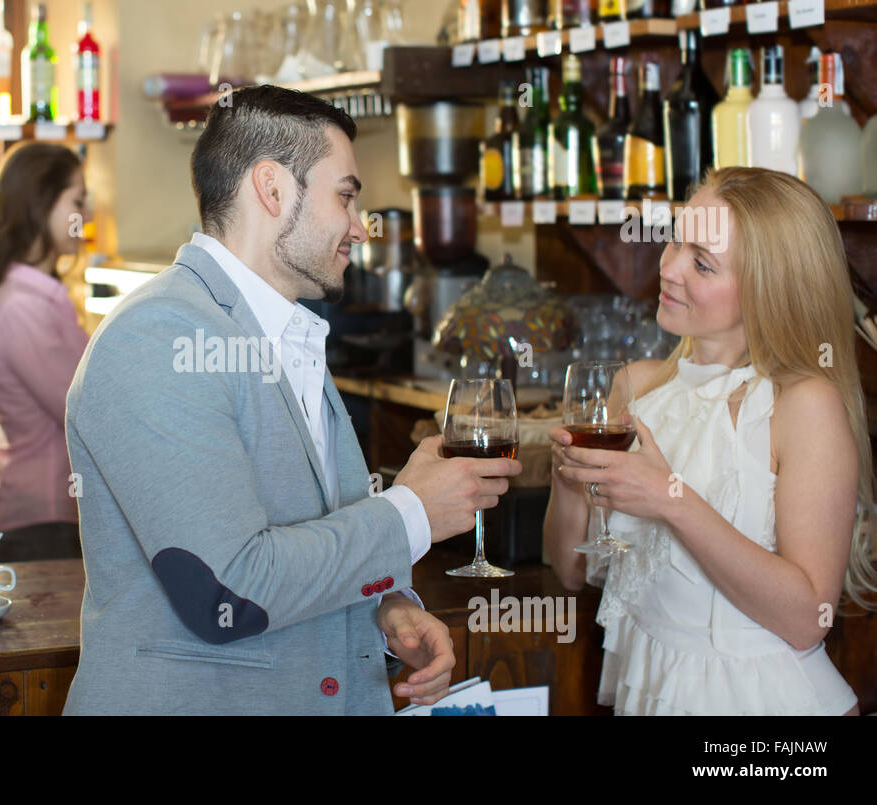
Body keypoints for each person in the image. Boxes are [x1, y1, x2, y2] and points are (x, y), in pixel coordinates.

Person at [61, 86, 522, 715]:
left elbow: (314, 538)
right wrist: (413, 514)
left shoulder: (285, 329)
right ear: (273, 189)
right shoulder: (163, 337)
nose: (361, 228)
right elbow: (230, 590)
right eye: (346, 196)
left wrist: (387, 608)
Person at [544, 167, 874, 715]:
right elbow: (572, 569)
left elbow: (805, 619)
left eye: (702, 262)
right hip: (653, 693)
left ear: (768, 290)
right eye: (675, 238)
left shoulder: (803, 405)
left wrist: (669, 499)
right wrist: (570, 477)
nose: (668, 268)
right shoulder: (636, 386)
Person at [0, 143, 90, 562]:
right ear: (41, 202)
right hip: (42, 518)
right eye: (77, 200)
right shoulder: (24, 307)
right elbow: (83, 410)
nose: (86, 216)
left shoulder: (35, 298)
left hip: (43, 514)